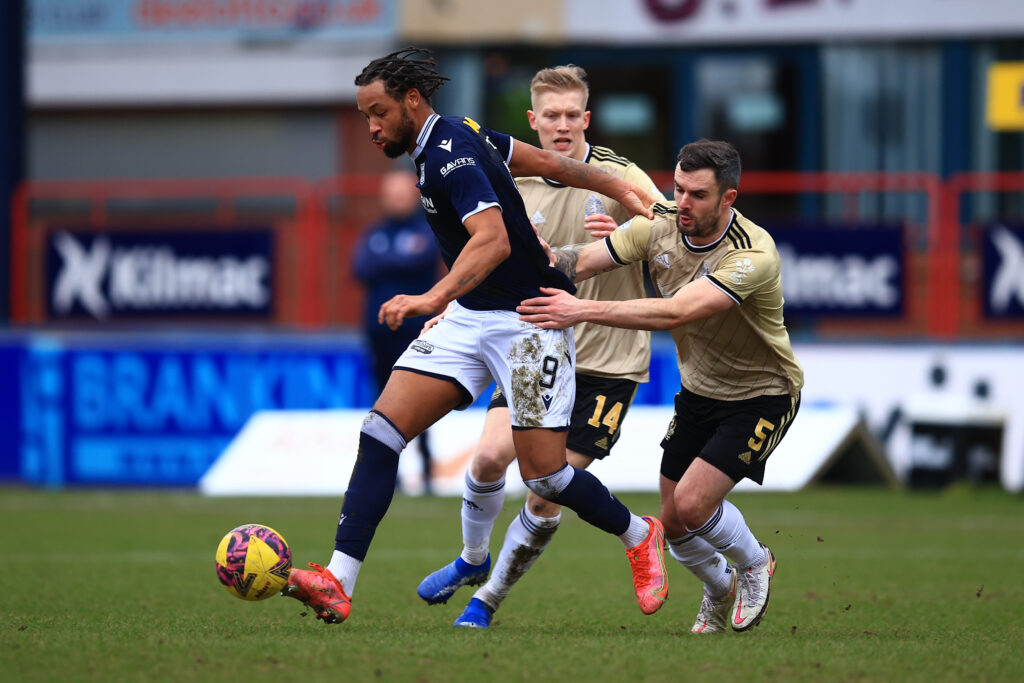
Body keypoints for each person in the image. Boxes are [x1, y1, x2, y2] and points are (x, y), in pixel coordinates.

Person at [279, 47, 668, 625]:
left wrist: (431, 297)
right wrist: (612, 182)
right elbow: (548, 163)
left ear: (413, 101)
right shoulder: (459, 131)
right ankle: (339, 578)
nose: (371, 127)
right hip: (470, 318)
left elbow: (494, 240)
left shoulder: (448, 155)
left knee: (546, 476)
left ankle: (639, 533)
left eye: (378, 112)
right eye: (365, 115)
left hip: (529, 321)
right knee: (381, 432)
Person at [518, 139, 804, 634]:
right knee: (671, 522)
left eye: (697, 194)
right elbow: (581, 262)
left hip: (763, 392)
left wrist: (580, 308)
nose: (682, 204)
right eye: (678, 189)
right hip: (699, 391)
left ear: (728, 199)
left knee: (694, 505)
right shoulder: (659, 223)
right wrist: (546, 256)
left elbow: (677, 310)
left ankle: (755, 563)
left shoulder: (753, 254)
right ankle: (718, 590)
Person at [415, 65, 666, 629]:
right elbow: (479, 258)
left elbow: (672, 233)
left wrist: (632, 240)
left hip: (608, 358)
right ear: (532, 120)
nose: (561, 125)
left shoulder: (619, 177)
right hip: (533, 343)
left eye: (571, 115)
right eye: (549, 116)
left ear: (587, 119)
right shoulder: (509, 179)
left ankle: (486, 602)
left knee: (544, 489)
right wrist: (447, 310)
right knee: (484, 460)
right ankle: (471, 561)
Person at [352, 169, 440, 494]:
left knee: (421, 404)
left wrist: (385, 261)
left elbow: (422, 260)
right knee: (383, 405)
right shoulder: (374, 233)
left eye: (402, 193)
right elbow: (360, 268)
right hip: (378, 335)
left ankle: (428, 469)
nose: (396, 199)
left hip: (416, 334)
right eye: (390, 194)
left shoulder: (426, 230)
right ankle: (391, 474)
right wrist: (397, 259)